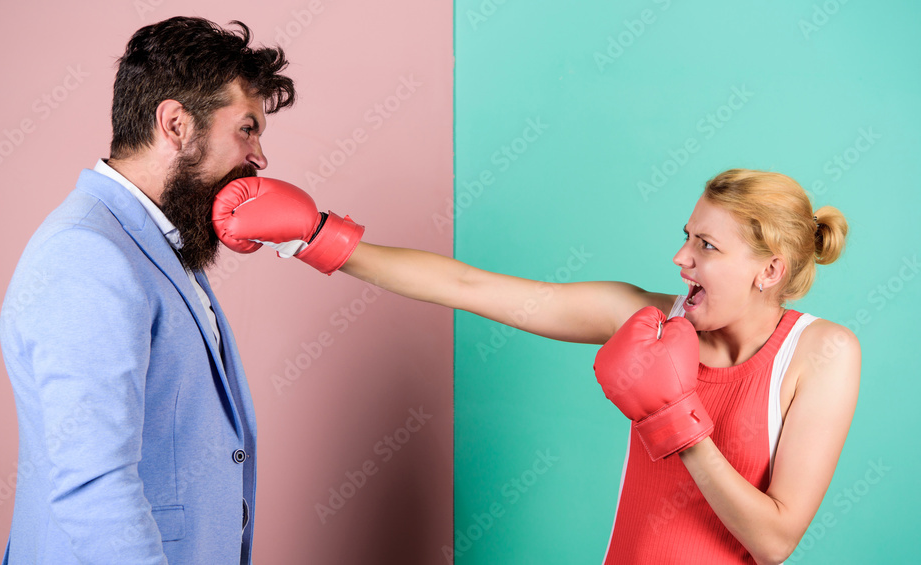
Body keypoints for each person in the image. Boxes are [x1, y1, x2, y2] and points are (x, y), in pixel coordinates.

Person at [213, 168, 860, 564]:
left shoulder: (822, 354)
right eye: (687, 234)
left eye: (706, 245)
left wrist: (676, 421)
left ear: (769, 269)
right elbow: (469, 285)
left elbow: (775, 540)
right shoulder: (650, 320)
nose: (679, 257)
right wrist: (317, 234)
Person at [0, 17, 294, 564]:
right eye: (247, 128)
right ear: (177, 124)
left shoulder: (157, 240)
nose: (259, 157)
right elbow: (96, 486)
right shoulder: (87, 255)